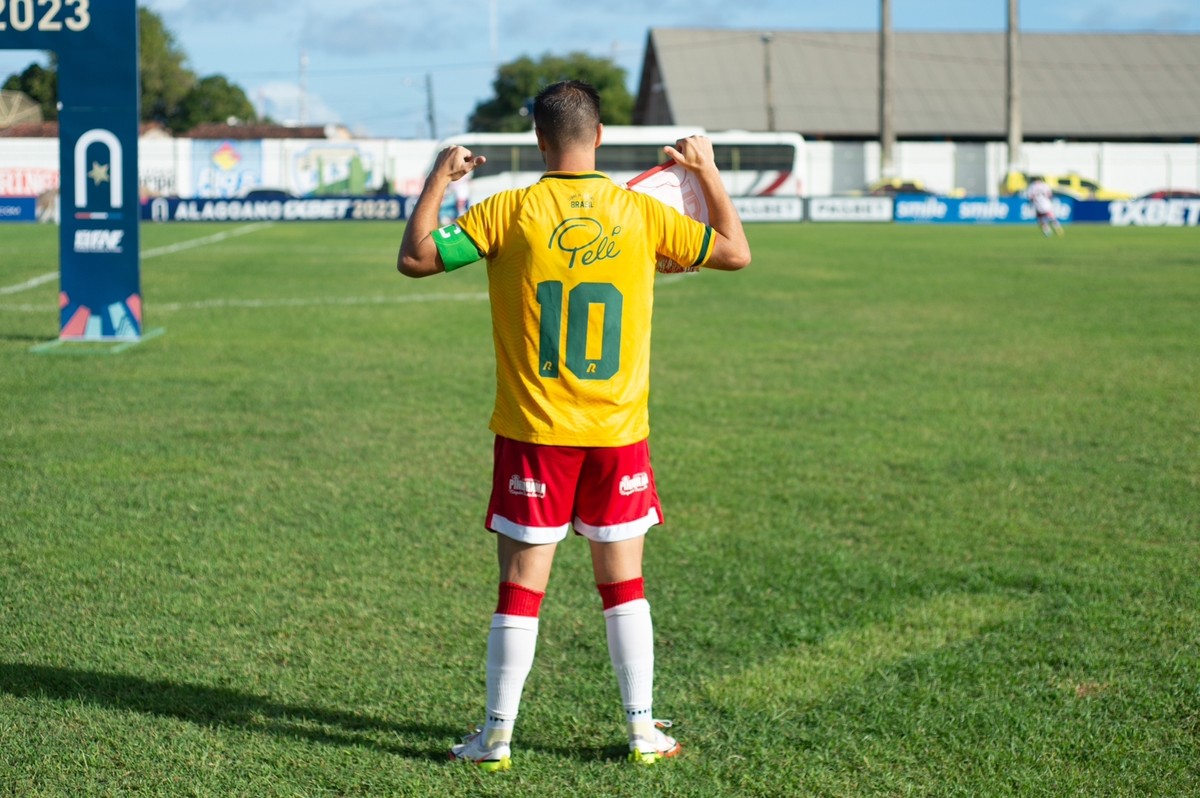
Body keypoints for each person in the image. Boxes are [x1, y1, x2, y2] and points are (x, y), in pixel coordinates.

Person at [397, 79, 750, 772]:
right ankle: (642, 730)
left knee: (521, 584)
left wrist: (438, 178)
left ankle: (496, 734)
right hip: (618, 434)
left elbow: (416, 259)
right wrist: (705, 172)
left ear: (537, 138)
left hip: (534, 433)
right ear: (603, 137)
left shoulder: (510, 209)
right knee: (624, 583)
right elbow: (734, 251)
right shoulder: (637, 214)